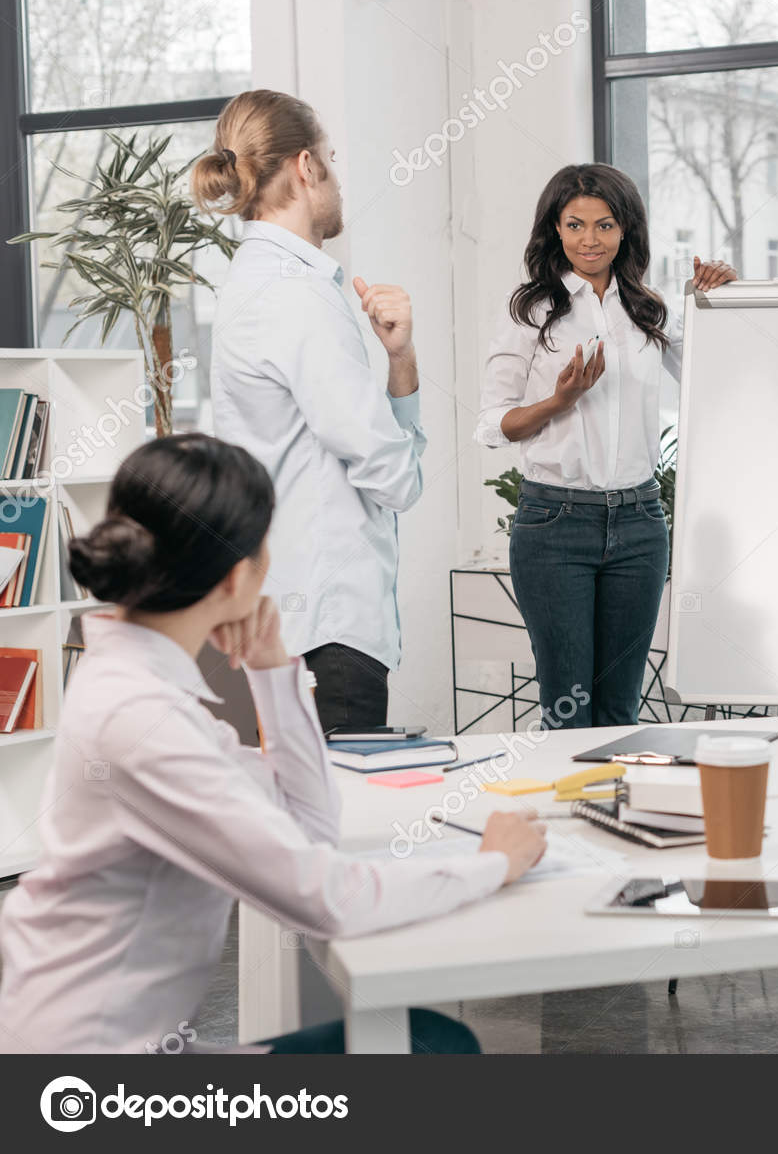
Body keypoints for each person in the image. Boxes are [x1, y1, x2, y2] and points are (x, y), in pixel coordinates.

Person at [0, 435, 547, 1054]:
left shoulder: (137, 685)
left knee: (428, 1039)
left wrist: (272, 667)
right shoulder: (140, 718)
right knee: (435, 1048)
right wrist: (493, 864)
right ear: (238, 578)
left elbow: (311, 827)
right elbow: (327, 900)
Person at [194, 89, 427, 733]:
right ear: (305, 166)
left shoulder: (252, 282)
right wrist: (405, 423)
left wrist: (398, 359)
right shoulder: (298, 295)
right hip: (329, 628)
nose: (337, 178)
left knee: (299, 796)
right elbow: (394, 479)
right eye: (331, 159)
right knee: (343, 799)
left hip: (292, 622)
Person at [475, 163, 735, 729]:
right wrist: (558, 400)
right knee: (567, 711)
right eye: (575, 225)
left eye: (605, 225)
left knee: (620, 710)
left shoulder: (649, 310)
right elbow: (494, 423)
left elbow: (715, 381)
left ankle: (617, 793)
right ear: (555, 228)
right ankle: (566, 791)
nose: (589, 240)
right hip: (554, 525)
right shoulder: (530, 311)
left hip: (640, 525)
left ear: (625, 231)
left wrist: (714, 305)